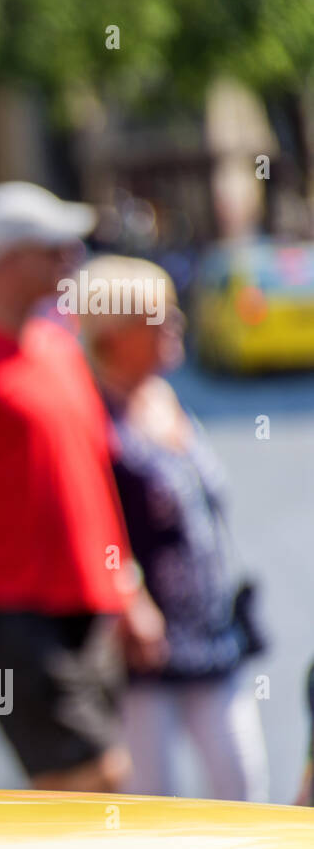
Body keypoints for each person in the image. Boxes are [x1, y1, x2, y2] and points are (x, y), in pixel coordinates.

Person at [0, 182, 166, 793]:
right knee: (87, 780)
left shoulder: (59, 348)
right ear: (8, 260)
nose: (68, 258)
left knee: (89, 791)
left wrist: (127, 587)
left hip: (88, 605)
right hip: (13, 611)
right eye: (52, 248)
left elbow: (94, 477)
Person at [80, 254, 269, 802]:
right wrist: (127, 597)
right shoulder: (94, 418)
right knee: (151, 804)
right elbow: (87, 522)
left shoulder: (161, 396)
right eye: (158, 318)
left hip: (212, 632)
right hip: (146, 647)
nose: (176, 325)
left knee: (240, 786)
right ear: (113, 336)